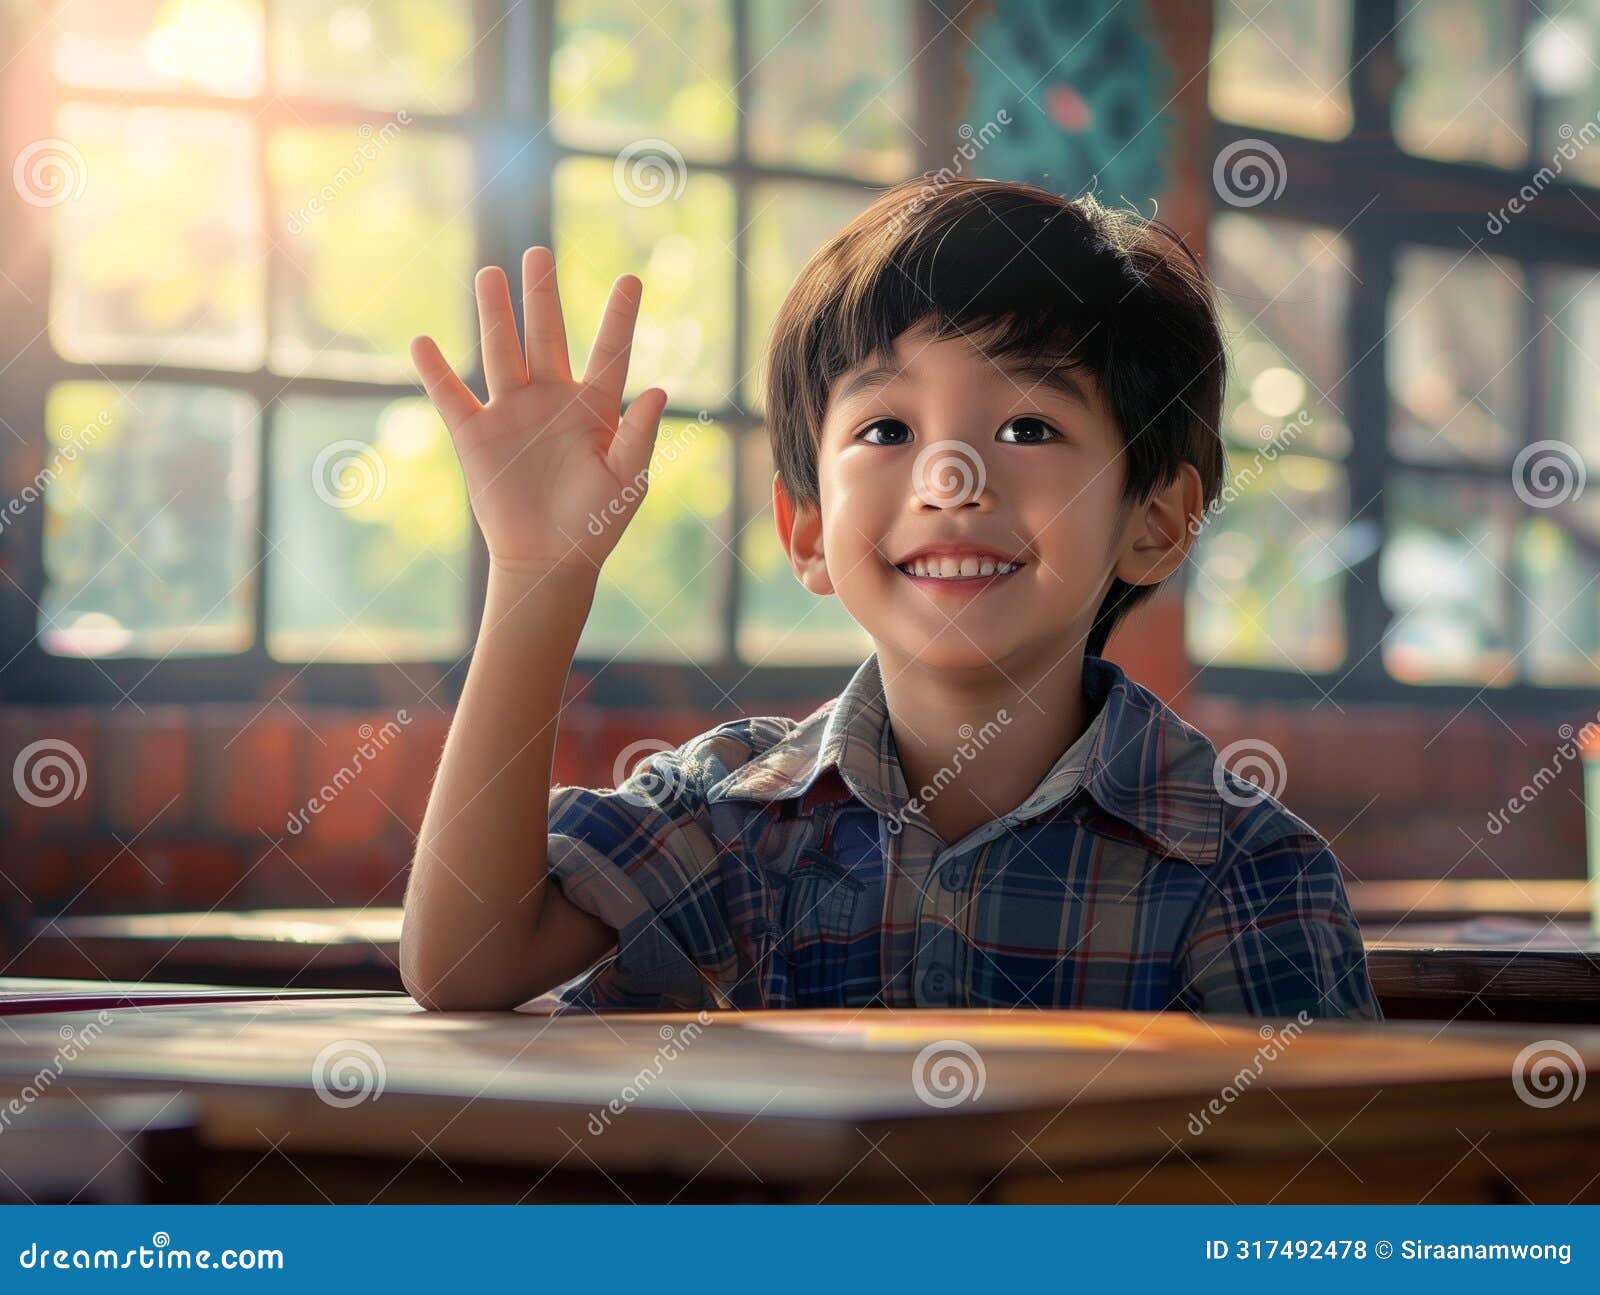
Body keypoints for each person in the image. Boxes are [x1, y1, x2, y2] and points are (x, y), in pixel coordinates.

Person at [398, 176, 1381, 1021]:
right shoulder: (727, 813)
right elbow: (465, 962)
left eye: (1029, 427)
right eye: (885, 429)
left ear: (1155, 520)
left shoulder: (1246, 873)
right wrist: (539, 571)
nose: (949, 478)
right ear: (807, 528)